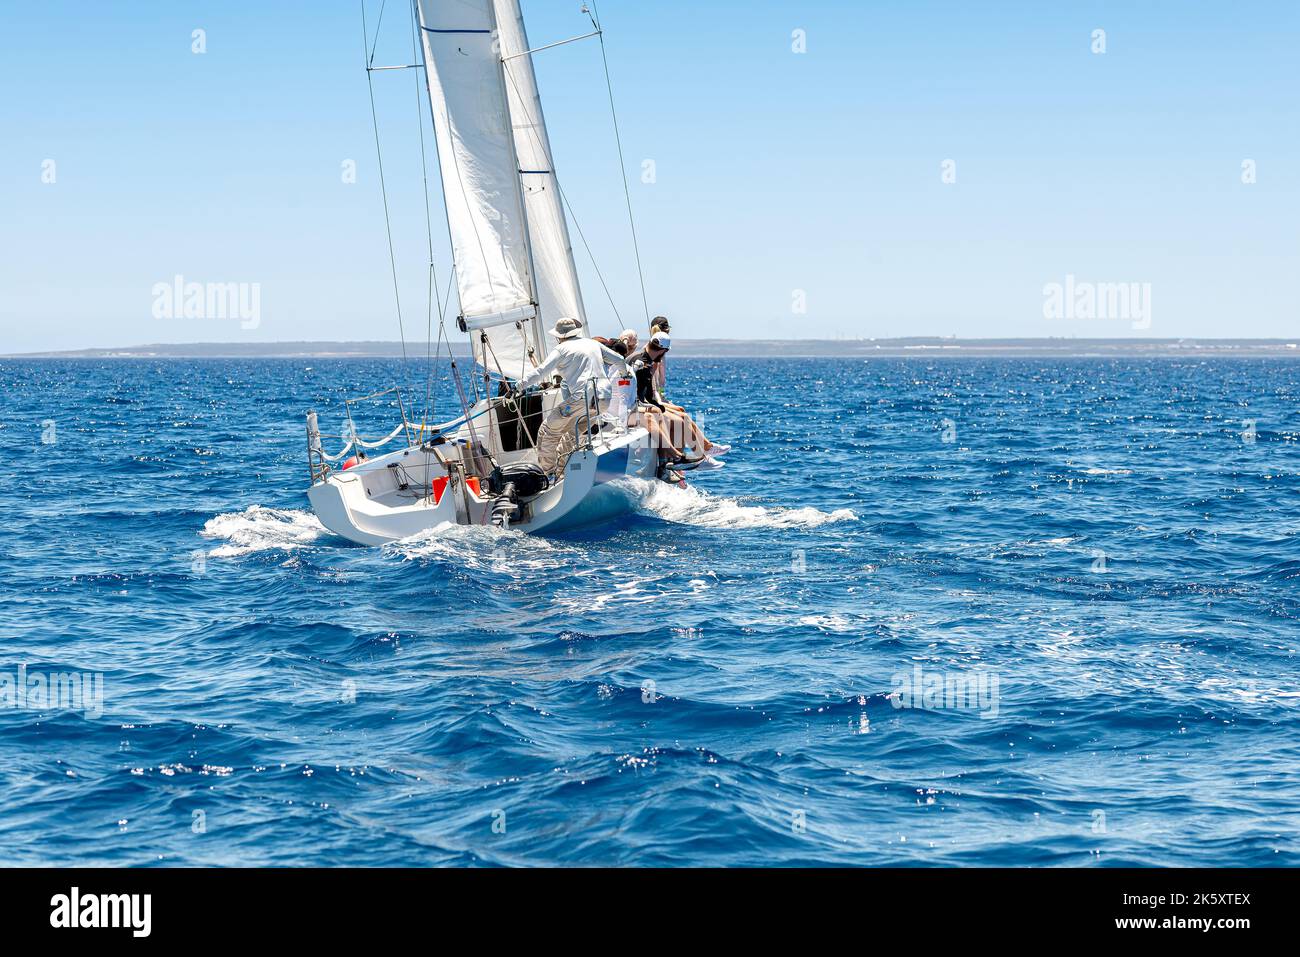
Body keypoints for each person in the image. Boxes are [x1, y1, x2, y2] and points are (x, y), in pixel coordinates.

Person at [516, 317, 629, 473]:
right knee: (571, 433)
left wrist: (517, 387)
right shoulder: (592, 343)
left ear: (559, 336)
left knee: (547, 431)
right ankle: (562, 472)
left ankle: (548, 472)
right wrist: (624, 374)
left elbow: (541, 372)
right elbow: (620, 360)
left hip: (582, 398)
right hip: (603, 400)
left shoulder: (561, 349)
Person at [629, 333, 729, 464]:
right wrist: (659, 407)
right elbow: (641, 396)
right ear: (664, 351)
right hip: (634, 408)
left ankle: (704, 450)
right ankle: (680, 459)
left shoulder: (641, 358)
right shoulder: (644, 363)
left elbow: (645, 395)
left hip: (638, 405)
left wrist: (659, 406)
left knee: (682, 414)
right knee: (679, 422)